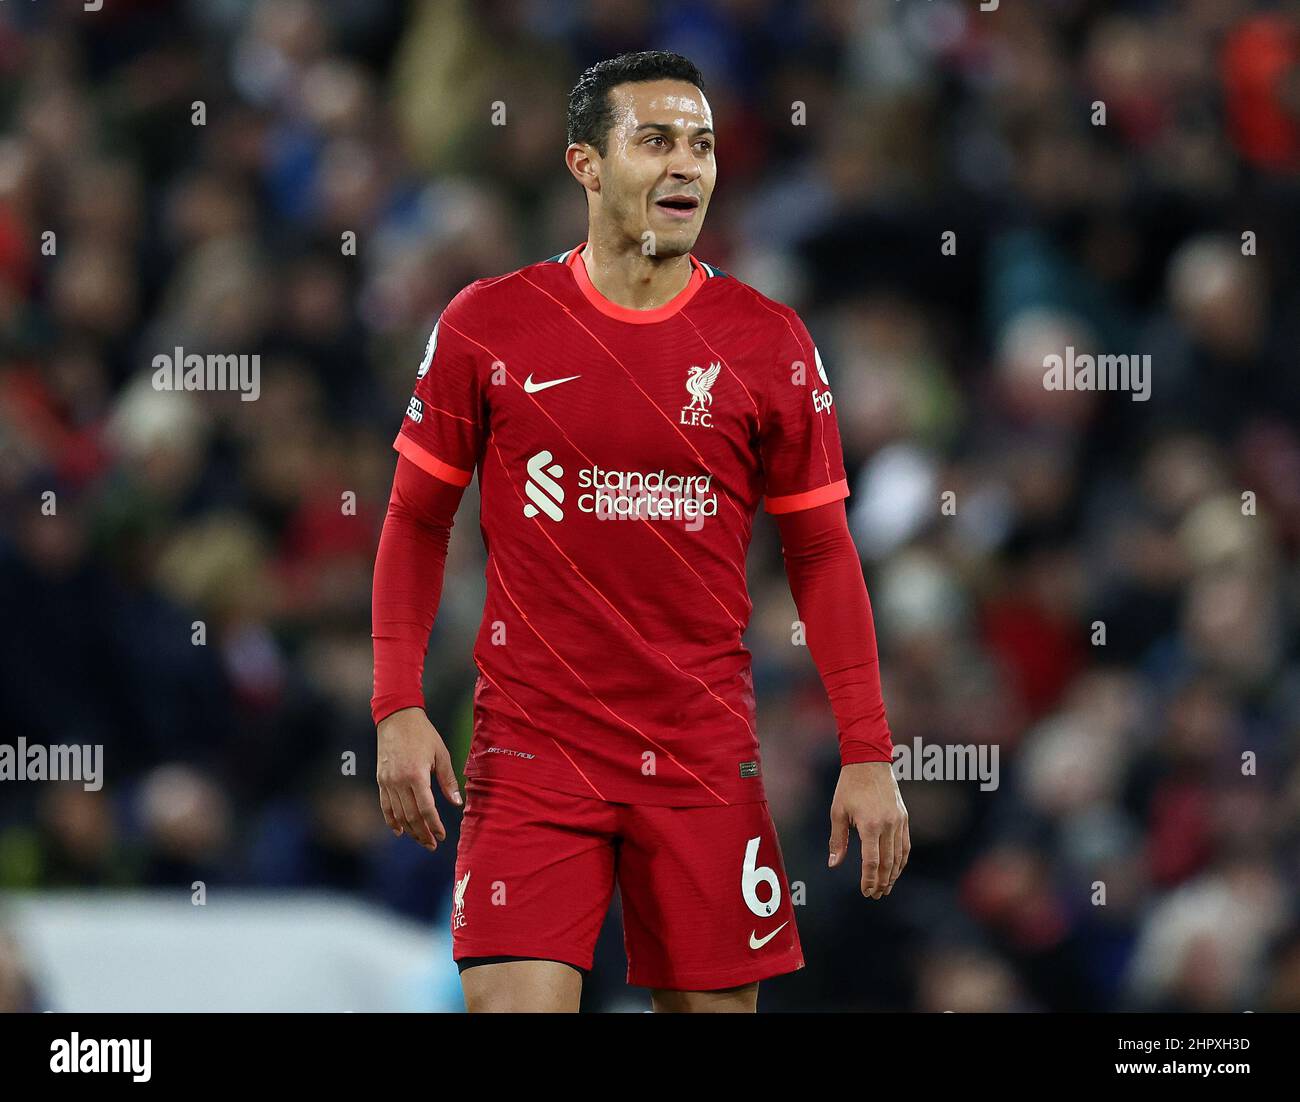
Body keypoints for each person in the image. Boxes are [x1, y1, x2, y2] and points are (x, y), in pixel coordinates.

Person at [370, 50, 909, 1013]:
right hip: (534, 746)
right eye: (655, 140)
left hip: (701, 749)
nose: (687, 165)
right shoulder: (490, 325)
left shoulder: (769, 343)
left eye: (701, 145)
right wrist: (397, 705)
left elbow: (822, 553)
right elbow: (415, 520)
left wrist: (868, 752)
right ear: (586, 163)